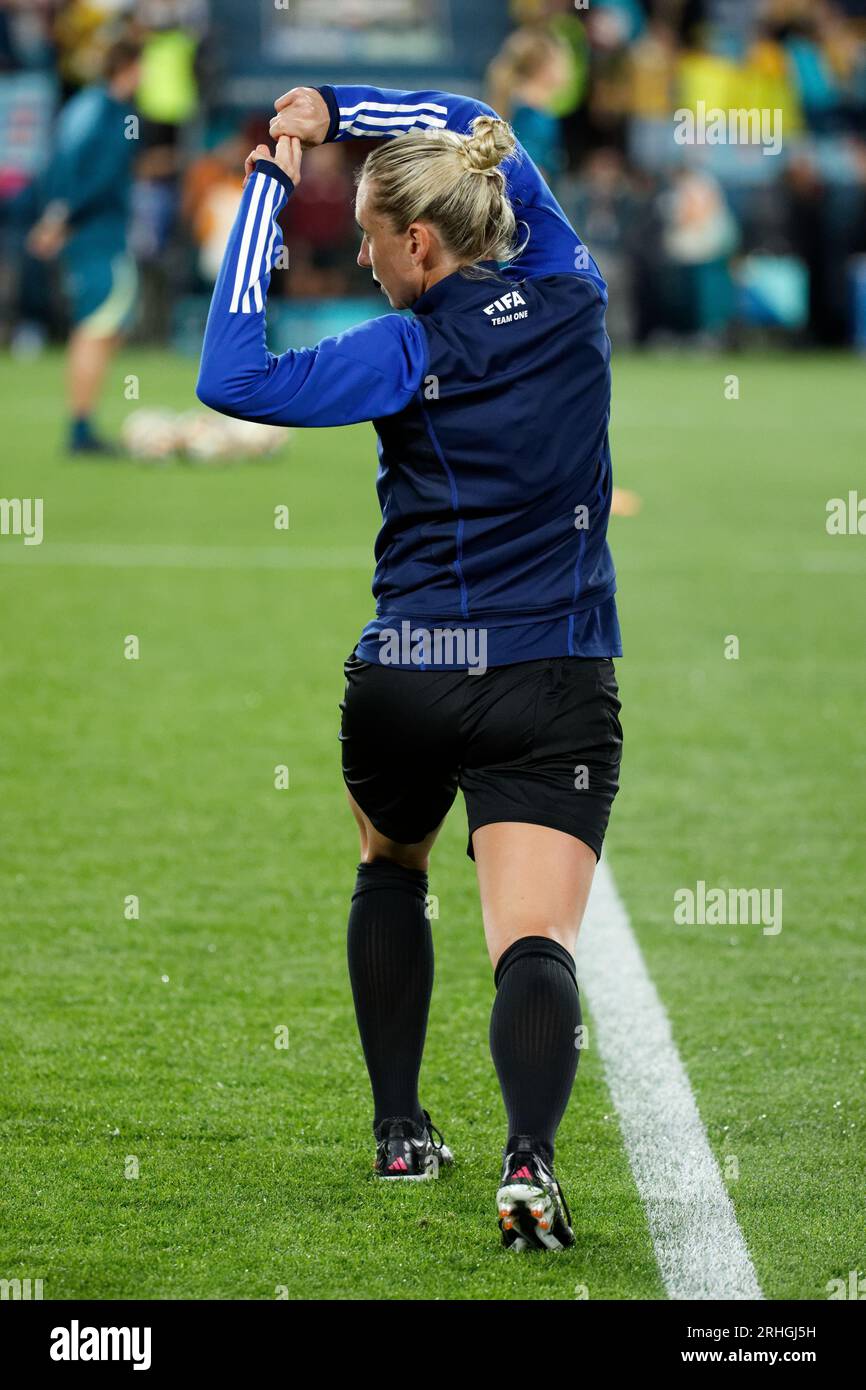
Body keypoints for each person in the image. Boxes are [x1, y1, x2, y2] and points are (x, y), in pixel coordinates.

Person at [196, 81, 623, 1252]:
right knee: (532, 942)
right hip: (555, 672)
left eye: (375, 246)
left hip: (408, 674)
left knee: (391, 863)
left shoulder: (400, 346)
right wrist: (339, 106)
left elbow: (232, 378)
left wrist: (270, 190)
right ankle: (526, 1161)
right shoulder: (571, 279)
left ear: (418, 244)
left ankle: (398, 1130)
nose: (371, 266)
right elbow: (474, 112)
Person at [26, 36, 142, 454]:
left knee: (106, 326)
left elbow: (56, 166)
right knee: (96, 329)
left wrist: (53, 215)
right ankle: (80, 430)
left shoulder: (81, 108)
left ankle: (82, 424)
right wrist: (60, 218)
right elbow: (98, 175)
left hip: (85, 234)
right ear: (131, 68)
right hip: (99, 235)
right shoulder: (112, 114)